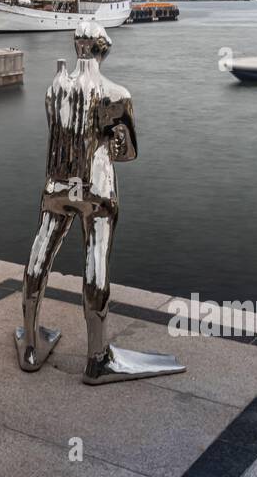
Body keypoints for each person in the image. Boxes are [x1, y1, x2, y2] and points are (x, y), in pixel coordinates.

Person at [18, 21, 185, 385]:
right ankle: (97, 357)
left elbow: (58, 134)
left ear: (77, 47)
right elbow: (128, 153)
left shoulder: (54, 88)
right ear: (103, 49)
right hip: (95, 188)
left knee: (40, 251)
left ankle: (30, 344)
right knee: (96, 259)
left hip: (59, 186)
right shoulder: (116, 94)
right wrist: (109, 138)